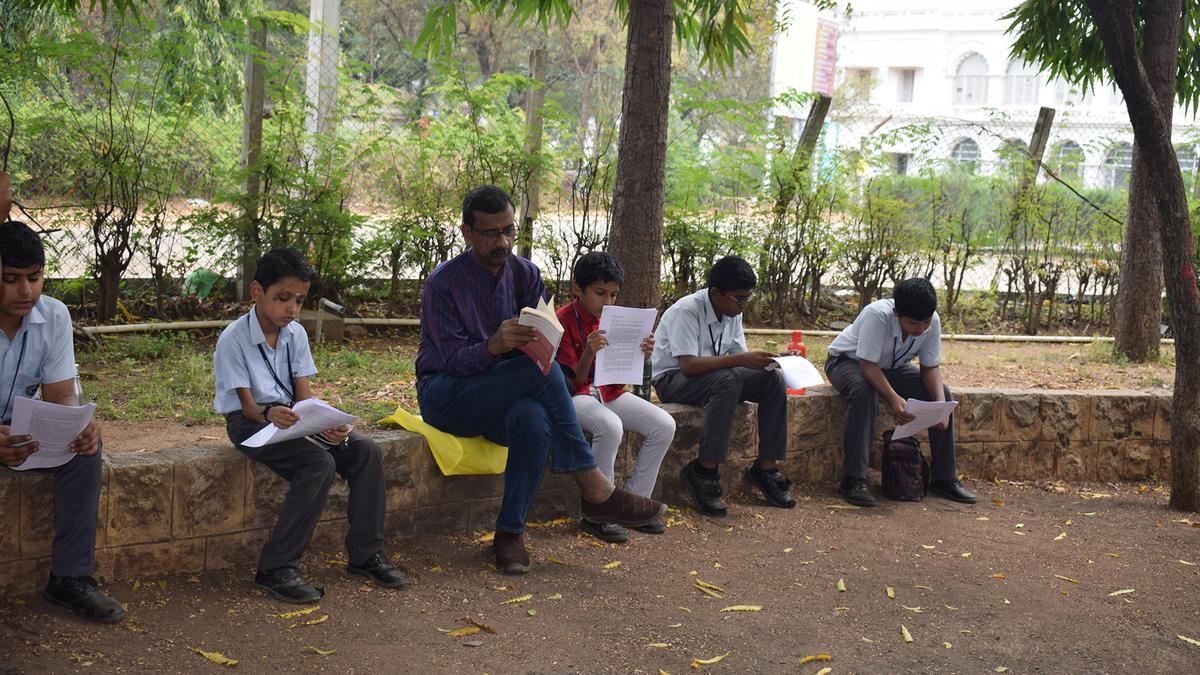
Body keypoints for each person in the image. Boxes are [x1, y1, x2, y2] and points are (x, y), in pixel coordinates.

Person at [416, 185, 666, 574]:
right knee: (537, 377)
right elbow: (446, 360)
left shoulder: (525, 274)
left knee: (533, 417)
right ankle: (595, 487)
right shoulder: (443, 283)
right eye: (490, 233)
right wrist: (492, 346)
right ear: (466, 233)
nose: (503, 241)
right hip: (448, 397)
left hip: (510, 390)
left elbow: (543, 342)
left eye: (509, 231)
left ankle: (509, 534)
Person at [214, 247, 407, 604]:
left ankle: (366, 555)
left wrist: (325, 426)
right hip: (252, 424)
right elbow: (249, 408)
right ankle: (276, 567)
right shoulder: (233, 339)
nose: (291, 309)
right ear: (257, 292)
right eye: (282, 298)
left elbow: (304, 398)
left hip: (293, 419)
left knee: (363, 450)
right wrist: (273, 414)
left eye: (299, 301)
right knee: (318, 463)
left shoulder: (296, 335)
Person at [0, 220, 124, 623]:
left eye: (34, 278)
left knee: (85, 449)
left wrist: (75, 423)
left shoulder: (54, 315)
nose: (26, 291)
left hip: (22, 427)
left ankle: (70, 578)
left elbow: (60, 394)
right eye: (11, 279)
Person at [651, 255, 795, 517]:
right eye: (739, 298)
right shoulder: (688, 310)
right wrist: (741, 360)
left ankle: (766, 468)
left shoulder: (731, 312)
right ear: (716, 293)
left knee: (773, 379)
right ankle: (705, 471)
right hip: (673, 380)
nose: (743, 305)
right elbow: (689, 365)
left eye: (747, 298)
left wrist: (770, 362)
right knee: (728, 380)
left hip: (718, 378)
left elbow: (739, 359)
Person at [554, 251, 676, 543]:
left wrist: (641, 354)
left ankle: (634, 502)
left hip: (608, 391)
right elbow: (572, 381)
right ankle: (600, 511)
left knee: (664, 425)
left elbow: (617, 378)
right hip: (576, 394)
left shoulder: (615, 319)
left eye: (613, 295)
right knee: (609, 426)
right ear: (577, 288)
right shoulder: (562, 320)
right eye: (600, 293)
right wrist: (589, 351)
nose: (607, 302)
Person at [824, 277, 976, 507]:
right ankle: (854, 479)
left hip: (890, 367)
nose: (921, 328)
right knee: (864, 393)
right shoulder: (877, 315)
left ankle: (945, 479)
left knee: (942, 393)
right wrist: (894, 399)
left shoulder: (931, 320)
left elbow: (930, 368)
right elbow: (867, 366)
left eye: (925, 322)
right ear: (896, 313)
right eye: (914, 323)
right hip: (848, 362)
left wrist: (940, 408)